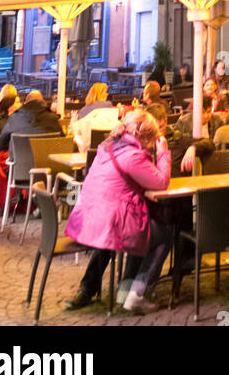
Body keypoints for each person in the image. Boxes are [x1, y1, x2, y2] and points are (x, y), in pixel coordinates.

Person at [64, 109, 172, 314]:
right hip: (111, 220)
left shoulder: (106, 147)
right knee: (161, 235)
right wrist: (164, 152)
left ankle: (96, 289)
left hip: (88, 217)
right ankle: (135, 294)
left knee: (138, 227)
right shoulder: (133, 156)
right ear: (145, 136)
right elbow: (161, 182)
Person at [0, 90, 64, 150]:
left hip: (19, 162)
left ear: (25, 103)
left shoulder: (14, 117)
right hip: (47, 162)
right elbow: (63, 142)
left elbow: (2, 142)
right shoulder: (52, 118)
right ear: (43, 102)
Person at [72, 83, 121, 152]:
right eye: (105, 92)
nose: (107, 94)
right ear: (100, 93)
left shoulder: (83, 110)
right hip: (106, 145)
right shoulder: (107, 105)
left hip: (86, 148)